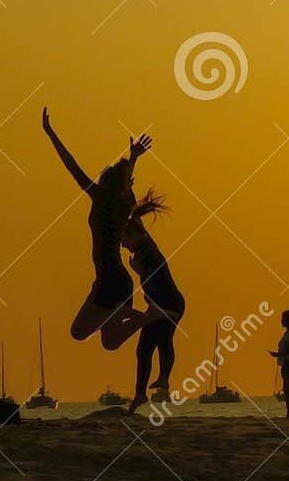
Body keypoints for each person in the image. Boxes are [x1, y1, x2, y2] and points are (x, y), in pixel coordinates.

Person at [42, 107, 152, 350]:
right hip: (115, 278)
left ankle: (133, 314)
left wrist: (51, 134)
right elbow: (124, 185)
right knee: (110, 342)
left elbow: (72, 167)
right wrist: (133, 159)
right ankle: (145, 317)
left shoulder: (101, 196)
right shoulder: (124, 204)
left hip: (109, 277)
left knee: (78, 332)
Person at [122, 197, 183, 412]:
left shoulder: (148, 251)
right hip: (156, 305)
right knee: (144, 349)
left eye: (125, 240)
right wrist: (134, 206)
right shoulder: (142, 247)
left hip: (170, 304)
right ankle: (140, 394)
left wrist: (140, 272)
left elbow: (154, 277)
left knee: (163, 339)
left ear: (135, 236)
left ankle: (163, 379)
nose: (123, 245)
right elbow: (134, 218)